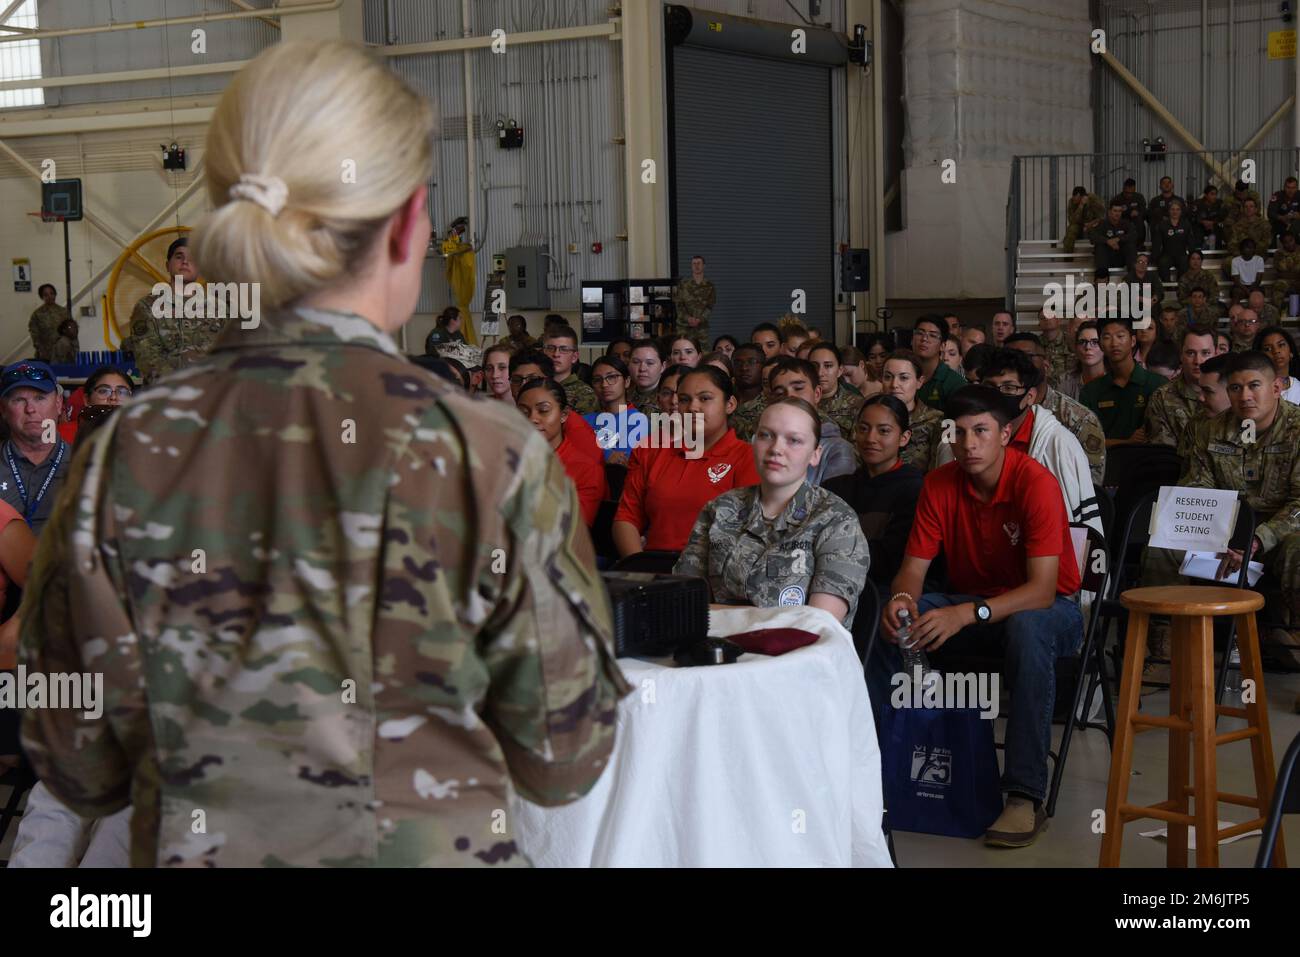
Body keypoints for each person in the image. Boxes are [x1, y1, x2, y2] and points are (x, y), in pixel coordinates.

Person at [17, 39, 629, 868]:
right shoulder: (492, 452)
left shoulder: (117, 458)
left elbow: (77, 762)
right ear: (410, 225)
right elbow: (566, 757)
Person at [872, 385, 1082, 848]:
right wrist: (902, 601)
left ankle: (1024, 793)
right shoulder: (940, 482)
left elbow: (1043, 590)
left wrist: (970, 613)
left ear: (1005, 434)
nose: (968, 444)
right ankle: (875, 768)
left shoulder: (1035, 483)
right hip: (974, 604)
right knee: (893, 622)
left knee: (1027, 629)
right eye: (959, 432)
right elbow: (913, 571)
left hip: (1049, 612)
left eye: (981, 431)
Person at [1141, 351, 1300, 671]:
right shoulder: (1209, 430)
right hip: (1225, 528)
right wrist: (1220, 535)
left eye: (1254, 385)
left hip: (1283, 529)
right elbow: (1197, 490)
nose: (1245, 396)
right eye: (1236, 388)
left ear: (1276, 388)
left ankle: (1292, 639)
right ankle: (1163, 644)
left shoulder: (1297, 430)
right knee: (1162, 541)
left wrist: (1255, 540)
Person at [674, 397, 869, 627]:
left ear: (815, 454)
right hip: (717, 651)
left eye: (794, 440)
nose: (776, 449)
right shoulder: (720, 509)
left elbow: (817, 623)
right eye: (766, 435)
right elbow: (682, 603)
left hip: (795, 658)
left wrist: (721, 613)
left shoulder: (835, 520)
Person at [935, 348, 1103, 535]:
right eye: (990, 387)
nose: (997, 395)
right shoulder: (953, 441)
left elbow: (1084, 530)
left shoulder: (1059, 443)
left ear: (1030, 396)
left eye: (1009, 388)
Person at [613, 365, 759, 556]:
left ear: (730, 404)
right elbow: (626, 518)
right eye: (684, 400)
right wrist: (641, 570)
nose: (692, 407)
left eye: (705, 398)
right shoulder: (653, 451)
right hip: (655, 571)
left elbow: (752, 533)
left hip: (718, 573)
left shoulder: (748, 457)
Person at [824, 395, 925, 587]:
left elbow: (892, 559)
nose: (870, 438)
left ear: (904, 438)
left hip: (883, 589)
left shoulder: (915, 489)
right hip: (831, 582)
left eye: (884, 431)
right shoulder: (834, 488)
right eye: (863, 429)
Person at [1005, 334, 1107, 486]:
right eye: (1009, 358)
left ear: (1046, 364)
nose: (1018, 365)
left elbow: (1091, 484)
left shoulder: (1079, 419)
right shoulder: (994, 415)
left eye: (1027, 356)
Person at [130, 236, 227, 386]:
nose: (185, 262)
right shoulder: (147, 306)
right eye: (179, 256)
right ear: (167, 265)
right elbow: (148, 359)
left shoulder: (219, 307)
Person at [516, 377, 607, 527]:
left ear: (564, 415)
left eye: (543, 411)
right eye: (524, 412)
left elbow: (571, 529)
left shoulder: (586, 469)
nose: (532, 419)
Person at [0, 361, 71, 535]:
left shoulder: (86, 462)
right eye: (18, 400)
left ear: (58, 403)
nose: (30, 409)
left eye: (40, 398)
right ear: (3, 409)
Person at [768, 357, 856, 486]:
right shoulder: (765, 444)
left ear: (817, 394)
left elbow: (832, 503)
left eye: (798, 388)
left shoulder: (838, 449)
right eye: (780, 393)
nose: (790, 396)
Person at [1080, 316, 1167, 445]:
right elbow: (1086, 440)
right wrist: (1126, 442)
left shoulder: (1157, 384)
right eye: (1107, 337)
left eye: (1120, 336)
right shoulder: (1091, 391)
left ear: (1132, 341)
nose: (1114, 343)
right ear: (1101, 345)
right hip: (1107, 462)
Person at [509, 350, 603, 467]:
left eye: (533, 380)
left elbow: (587, 469)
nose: (524, 386)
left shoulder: (575, 427)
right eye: (517, 380)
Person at [881, 351, 942, 471]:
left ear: (919, 382)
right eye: (888, 377)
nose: (894, 385)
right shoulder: (870, 416)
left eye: (903, 378)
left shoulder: (937, 420)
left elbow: (940, 469)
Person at [586, 354, 650, 466]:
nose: (604, 385)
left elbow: (622, 461)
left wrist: (590, 449)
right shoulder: (585, 420)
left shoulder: (638, 421)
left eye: (611, 377)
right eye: (597, 380)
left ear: (627, 381)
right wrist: (606, 454)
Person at [808, 342, 864, 439]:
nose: (820, 373)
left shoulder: (857, 404)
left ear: (839, 371)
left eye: (828, 366)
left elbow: (857, 447)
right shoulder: (801, 401)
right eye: (814, 366)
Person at [912, 314, 966, 406]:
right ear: (911, 339)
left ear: (942, 346)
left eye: (932, 335)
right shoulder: (901, 374)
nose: (924, 339)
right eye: (920, 333)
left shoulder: (954, 383)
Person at [543, 324, 598, 413]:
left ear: (574, 357)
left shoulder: (584, 393)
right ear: (543, 352)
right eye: (550, 348)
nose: (556, 354)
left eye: (563, 349)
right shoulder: (534, 385)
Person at [1056, 319, 1105, 400]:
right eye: (1082, 342)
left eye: (1095, 342)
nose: (1088, 347)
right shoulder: (1066, 381)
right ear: (1076, 347)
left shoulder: (1116, 379)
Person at [673, 254, 715, 340]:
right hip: (684, 327)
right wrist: (688, 318)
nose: (696, 266)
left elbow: (710, 306)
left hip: (701, 328)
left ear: (704, 266)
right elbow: (679, 305)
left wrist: (699, 319)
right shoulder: (683, 284)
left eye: (699, 263)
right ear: (691, 266)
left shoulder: (709, 286)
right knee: (683, 349)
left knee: (704, 352)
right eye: (694, 264)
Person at [1254, 325, 1300, 404]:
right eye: (1268, 349)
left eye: (1281, 345)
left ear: (1291, 352)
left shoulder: (1298, 387)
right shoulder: (1255, 388)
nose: (1276, 351)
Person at [1089, 201, 1137, 276]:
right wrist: (1107, 241)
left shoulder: (1126, 223)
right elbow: (1092, 237)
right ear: (1109, 212)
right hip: (1106, 258)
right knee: (1100, 247)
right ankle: (1102, 278)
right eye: (1115, 211)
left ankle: (1132, 278)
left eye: (1119, 211)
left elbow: (1134, 235)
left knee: (1130, 246)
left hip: (1122, 258)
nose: (1117, 213)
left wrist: (1119, 239)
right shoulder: (1102, 223)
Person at [28, 284, 71, 364]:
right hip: (46, 354)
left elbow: (71, 332)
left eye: (52, 293)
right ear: (42, 297)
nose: (50, 296)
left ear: (55, 294)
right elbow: (34, 334)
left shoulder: (64, 312)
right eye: (46, 295)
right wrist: (40, 349)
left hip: (63, 353)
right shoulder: (37, 314)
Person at [1152, 200, 1194, 282]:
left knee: (1185, 263)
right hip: (1167, 254)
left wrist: (1192, 255)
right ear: (1169, 211)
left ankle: (1180, 287)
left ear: (1181, 211)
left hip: (1182, 255)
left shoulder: (1186, 224)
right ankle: (1168, 287)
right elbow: (1157, 243)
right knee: (1162, 263)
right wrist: (1155, 257)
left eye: (1178, 209)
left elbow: (1191, 242)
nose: (1175, 212)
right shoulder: (1162, 225)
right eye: (1173, 209)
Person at [1062, 185, 1105, 253]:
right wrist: (1081, 206)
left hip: (1093, 225)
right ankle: (1068, 258)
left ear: (1081, 196)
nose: (1073, 199)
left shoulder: (1093, 200)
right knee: (1071, 229)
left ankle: (1098, 253)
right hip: (1080, 226)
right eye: (1073, 197)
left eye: (1075, 197)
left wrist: (1090, 224)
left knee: (1098, 231)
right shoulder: (1072, 202)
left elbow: (1101, 217)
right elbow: (1072, 221)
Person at [1036, 308, 1072, 387]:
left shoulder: (1071, 342)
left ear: (1059, 320)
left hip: (1067, 389)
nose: (1046, 319)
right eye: (1043, 318)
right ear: (1039, 324)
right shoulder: (1035, 344)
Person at [627, 339, 665, 414]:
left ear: (663, 366)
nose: (642, 369)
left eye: (650, 363)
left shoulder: (669, 398)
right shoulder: (624, 397)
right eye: (636, 362)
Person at [1110, 177, 1147, 246]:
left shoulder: (1139, 197)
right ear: (1123, 188)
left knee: (1138, 220)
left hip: (1136, 222)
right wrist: (1128, 213)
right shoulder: (1117, 199)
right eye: (1126, 193)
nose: (1129, 195)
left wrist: (1138, 213)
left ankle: (1139, 244)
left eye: (1131, 193)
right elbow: (1112, 214)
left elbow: (1144, 211)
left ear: (1134, 189)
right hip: (1122, 222)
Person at [1190, 183, 1226, 249]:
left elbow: (1222, 216)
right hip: (1200, 227)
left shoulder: (1219, 203)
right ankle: (1197, 251)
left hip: (1214, 227)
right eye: (1212, 194)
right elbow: (1192, 217)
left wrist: (1213, 223)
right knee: (1196, 230)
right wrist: (1202, 222)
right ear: (1206, 195)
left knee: (1218, 230)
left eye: (1215, 194)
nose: (1214, 196)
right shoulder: (1197, 203)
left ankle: (1217, 252)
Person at [1272, 230, 1300, 311]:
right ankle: (1277, 315)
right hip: (1284, 281)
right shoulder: (1279, 253)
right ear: (1282, 243)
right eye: (1286, 242)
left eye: (1291, 240)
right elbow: (1280, 274)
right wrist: (1296, 274)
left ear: (1294, 239)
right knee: (1278, 286)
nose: (1289, 244)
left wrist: (1289, 274)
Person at [1268, 176, 1300, 244]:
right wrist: (1281, 218)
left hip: (1296, 223)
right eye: (1288, 187)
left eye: (1293, 188)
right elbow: (1270, 212)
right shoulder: (1278, 195)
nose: (1290, 190)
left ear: (1297, 188)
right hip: (1280, 223)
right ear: (1284, 187)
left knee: (1295, 225)